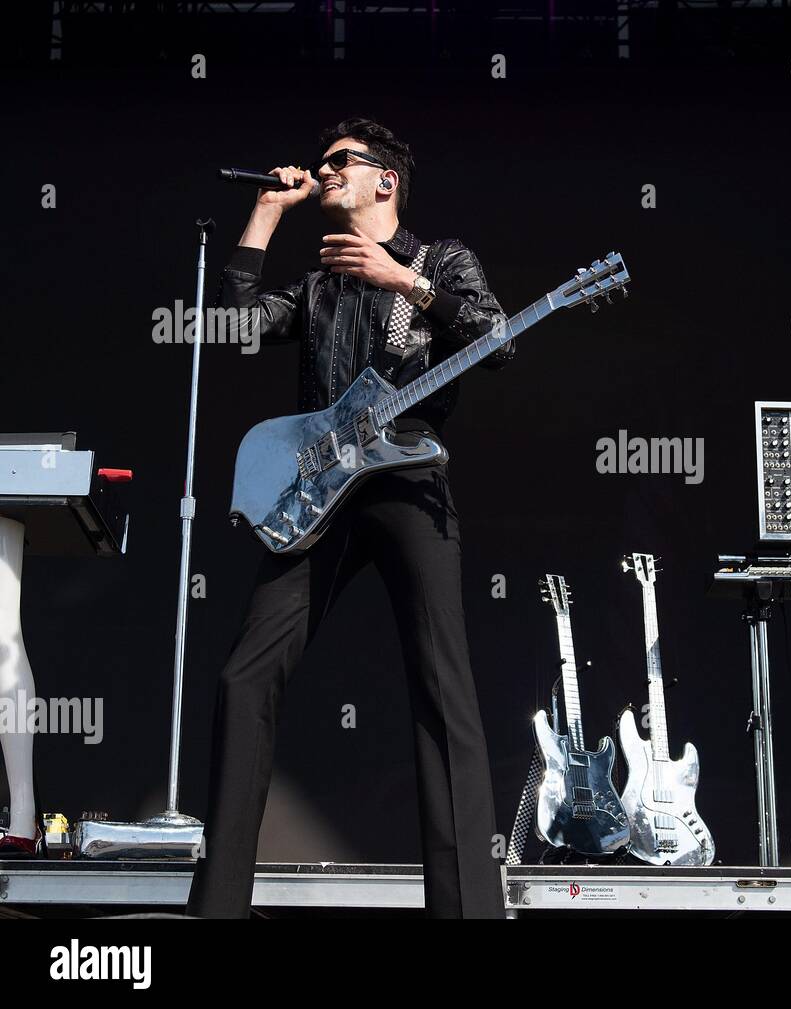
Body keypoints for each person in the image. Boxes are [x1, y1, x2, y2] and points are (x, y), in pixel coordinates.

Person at [186, 117, 513, 918]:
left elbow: (498, 339)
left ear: (384, 180)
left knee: (443, 686)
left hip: (408, 482)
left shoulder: (441, 260)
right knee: (244, 673)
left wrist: (405, 282)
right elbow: (232, 329)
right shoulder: (319, 285)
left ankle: (467, 909)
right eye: (322, 162)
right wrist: (265, 214)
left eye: (340, 161)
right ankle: (220, 903)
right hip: (320, 492)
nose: (324, 170)